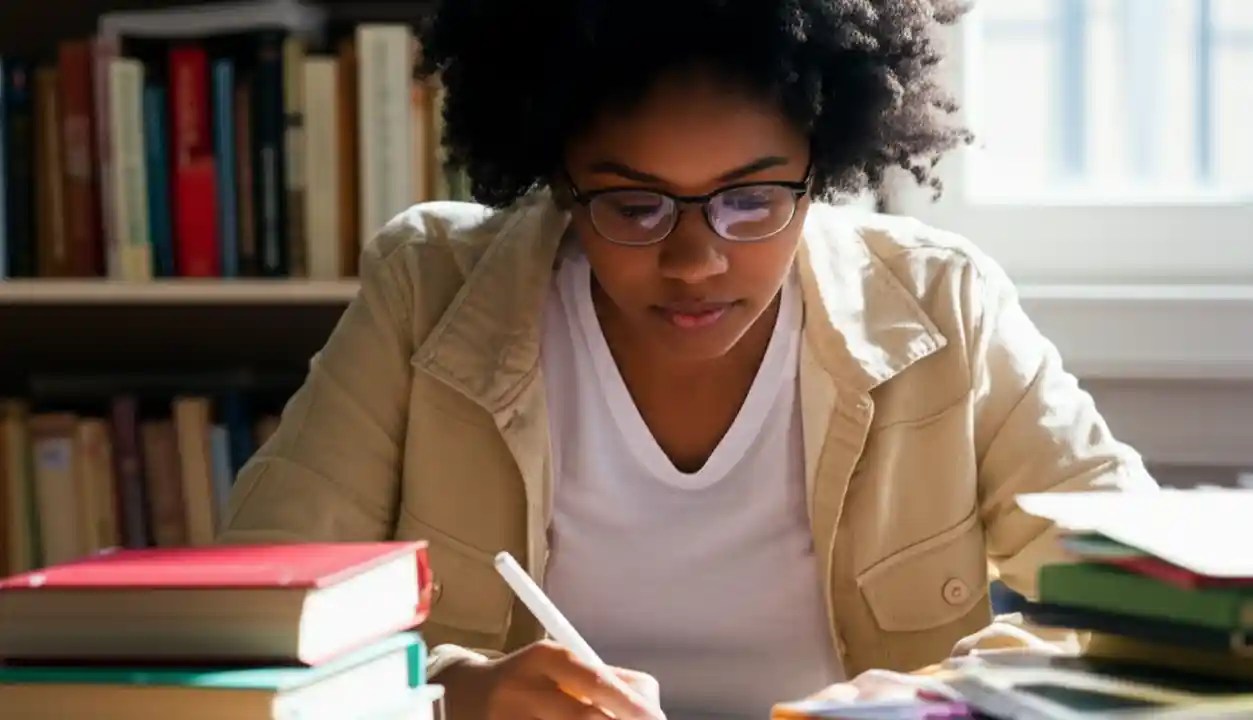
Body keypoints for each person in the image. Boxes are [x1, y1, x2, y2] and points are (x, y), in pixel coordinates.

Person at [217, 1, 1157, 718]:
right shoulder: (427, 293)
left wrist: (924, 705)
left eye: (752, 200)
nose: (696, 261)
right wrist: (452, 696)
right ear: (559, 176)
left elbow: (1153, 603)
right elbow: (248, 618)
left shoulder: (943, 303)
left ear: (821, 162)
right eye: (634, 206)